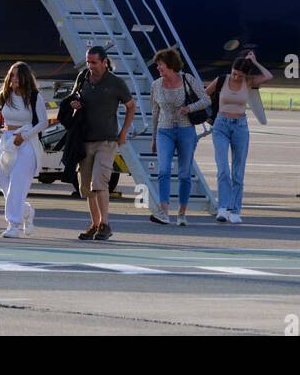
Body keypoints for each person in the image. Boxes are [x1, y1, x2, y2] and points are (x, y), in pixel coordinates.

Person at [69, 45, 135, 241]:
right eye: (88, 62)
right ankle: (95, 224)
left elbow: (131, 107)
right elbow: (74, 98)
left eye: (94, 62)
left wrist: (123, 132)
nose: (90, 66)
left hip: (107, 140)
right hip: (85, 140)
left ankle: (105, 224)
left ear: (105, 62)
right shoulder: (83, 78)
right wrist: (74, 104)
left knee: (99, 182)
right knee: (87, 187)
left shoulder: (115, 83)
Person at [206, 51, 272, 224]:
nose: (236, 77)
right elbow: (205, 95)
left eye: (240, 75)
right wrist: (203, 115)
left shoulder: (248, 83)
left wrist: (255, 62)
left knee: (238, 172)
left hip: (240, 128)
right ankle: (222, 208)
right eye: (234, 72)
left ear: (245, 75)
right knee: (223, 169)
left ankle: (235, 210)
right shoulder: (222, 80)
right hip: (221, 125)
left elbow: (268, 75)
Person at [0, 62, 48, 238]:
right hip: (6, 142)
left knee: (17, 186)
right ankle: (26, 212)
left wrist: (24, 136)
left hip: (26, 143)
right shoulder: (5, 94)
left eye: (17, 75)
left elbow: (43, 122)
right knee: (4, 184)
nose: (14, 79)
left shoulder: (34, 96)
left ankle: (13, 225)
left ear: (25, 77)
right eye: (12, 75)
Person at [149, 48, 209, 226]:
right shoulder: (156, 85)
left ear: (171, 64)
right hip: (164, 131)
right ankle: (164, 211)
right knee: (164, 170)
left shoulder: (187, 79)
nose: (158, 67)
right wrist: (153, 137)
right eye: (157, 64)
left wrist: (189, 108)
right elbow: (155, 112)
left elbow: (206, 100)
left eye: (160, 64)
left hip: (185, 130)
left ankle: (182, 213)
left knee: (184, 174)